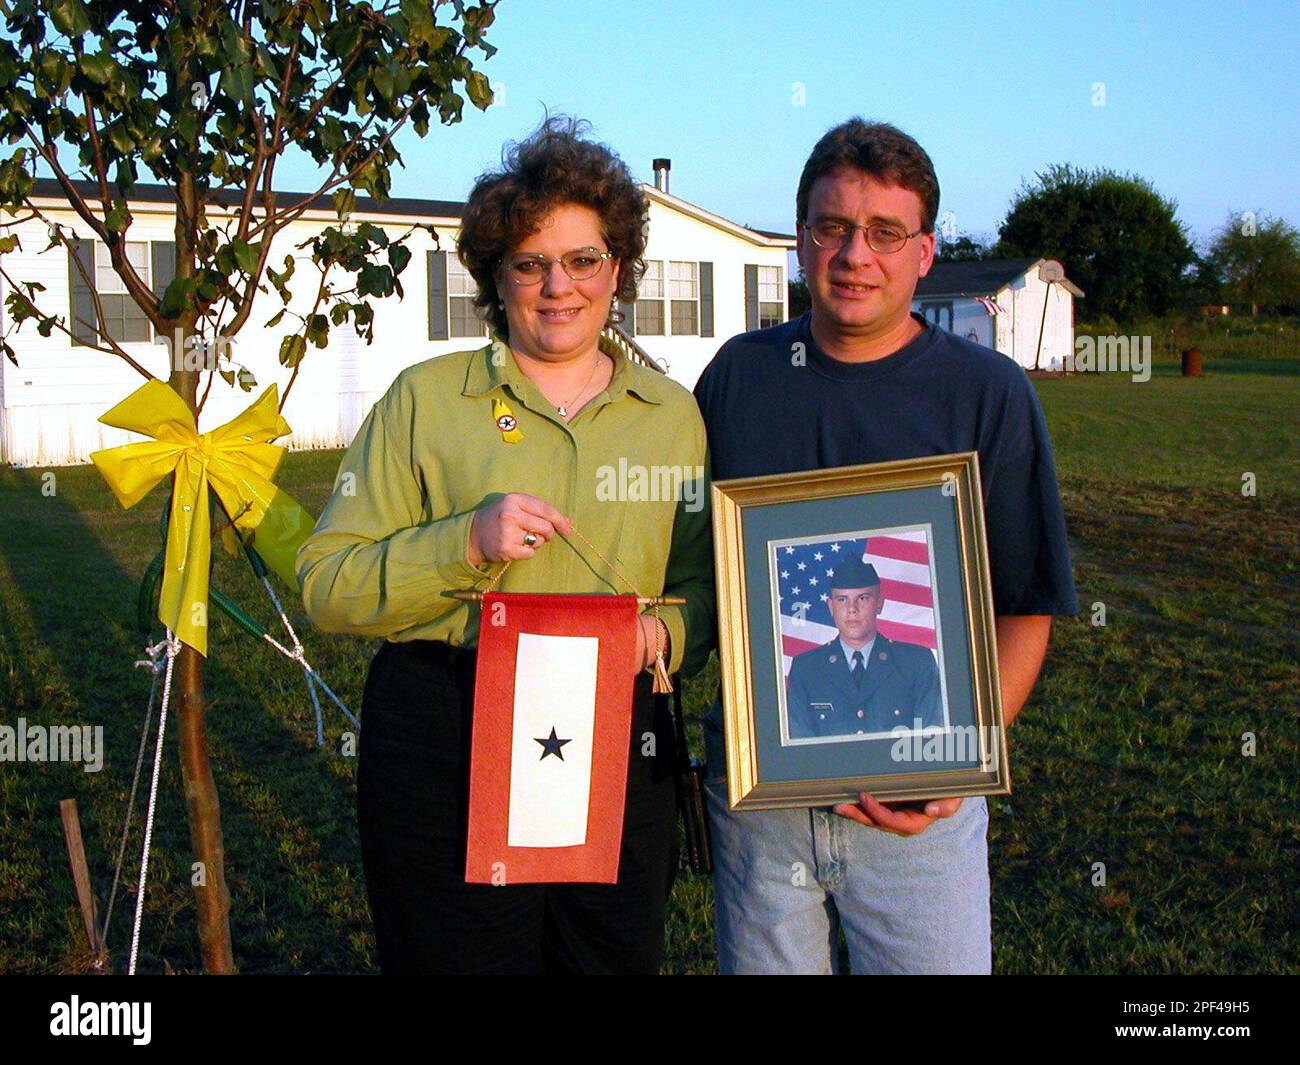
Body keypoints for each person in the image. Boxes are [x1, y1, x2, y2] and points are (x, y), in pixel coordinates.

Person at [295, 117, 713, 975]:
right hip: (445, 730)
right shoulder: (422, 401)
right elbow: (326, 583)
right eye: (529, 263)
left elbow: (705, 587)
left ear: (618, 267)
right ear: (496, 277)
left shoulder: (673, 416)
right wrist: (464, 542)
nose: (557, 286)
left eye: (583, 259)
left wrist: (660, 635)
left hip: (616, 731)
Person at [694, 118, 1078, 974]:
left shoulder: (987, 392)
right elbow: (694, 572)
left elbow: (1025, 603)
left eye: (884, 233)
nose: (854, 255)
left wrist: (962, 754)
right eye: (831, 228)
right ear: (800, 239)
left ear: (926, 251)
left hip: (918, 804)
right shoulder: (736, 379)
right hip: (764, 802)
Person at [786, 557, 941, 740]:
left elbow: (930, 743)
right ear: (831, 607)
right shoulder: (805, 669)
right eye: (842, 599)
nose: (852, 609)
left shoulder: (917, 663)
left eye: (863, 598)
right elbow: (802, 753)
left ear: (879, 604)